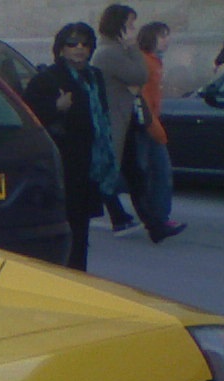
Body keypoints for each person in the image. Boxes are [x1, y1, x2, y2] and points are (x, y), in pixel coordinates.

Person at [23, 23, 117, 271]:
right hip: (62, 166)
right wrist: (56, 107)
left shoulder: (94, 77)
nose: (79, 49)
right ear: (61, 49)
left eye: (85, 44)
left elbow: (102, 116)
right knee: (66, 230)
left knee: (81, 231)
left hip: (89, 165)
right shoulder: (48, 79)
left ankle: (78, 275)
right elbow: (27, 115)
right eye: (72, 44)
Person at [90, 4, 147, 234]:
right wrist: (133, 47)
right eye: (130, 25)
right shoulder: (110, 52)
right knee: (113, 170)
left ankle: (144, 217)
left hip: (123, 119)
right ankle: (123, 217)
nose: (133, 30)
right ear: (119, 26)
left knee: (130, 170)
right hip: (114, 120)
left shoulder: (114, 50)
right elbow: (140, 75)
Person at [136, 22, 186, 243]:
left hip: (150, 123)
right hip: (147, 126)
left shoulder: (155, 62)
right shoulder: (146, 63)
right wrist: (156, 128)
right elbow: (145, 101)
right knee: (158, 172)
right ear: (151, 37)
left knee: (154, 173)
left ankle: (158, 219)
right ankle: (157, 219)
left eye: (167, 35)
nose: (167, 40)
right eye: (162, 36)